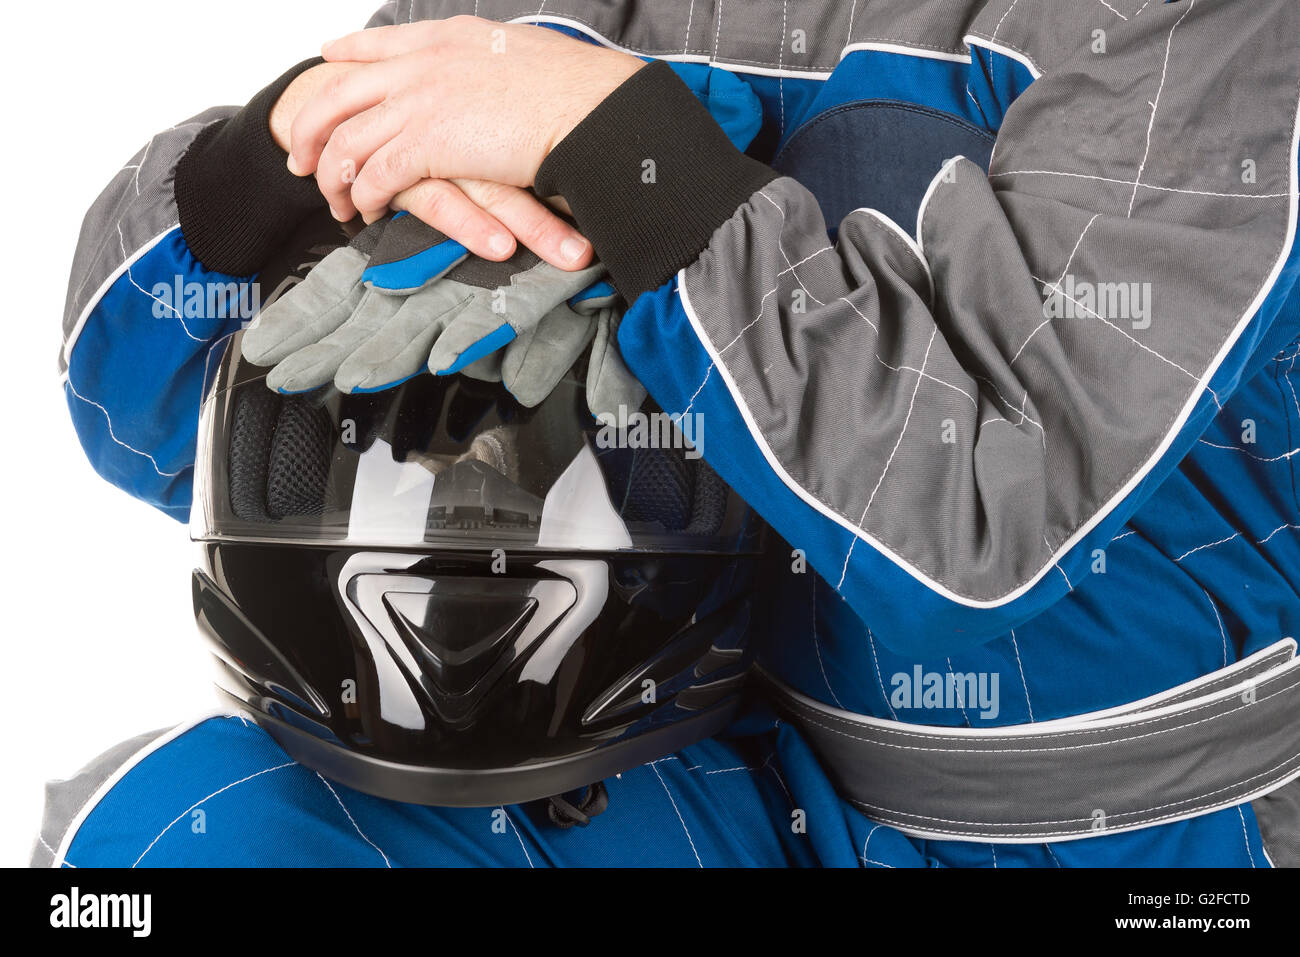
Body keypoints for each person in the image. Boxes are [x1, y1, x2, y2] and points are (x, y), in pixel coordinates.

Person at [40, 0, 1300, 868]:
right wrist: (281, 161)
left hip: (1140, 838)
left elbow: (982, 520)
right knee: (176, 846)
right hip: (692, 755)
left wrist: (637, 163)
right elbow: (182, 437)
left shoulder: (1205, 30)